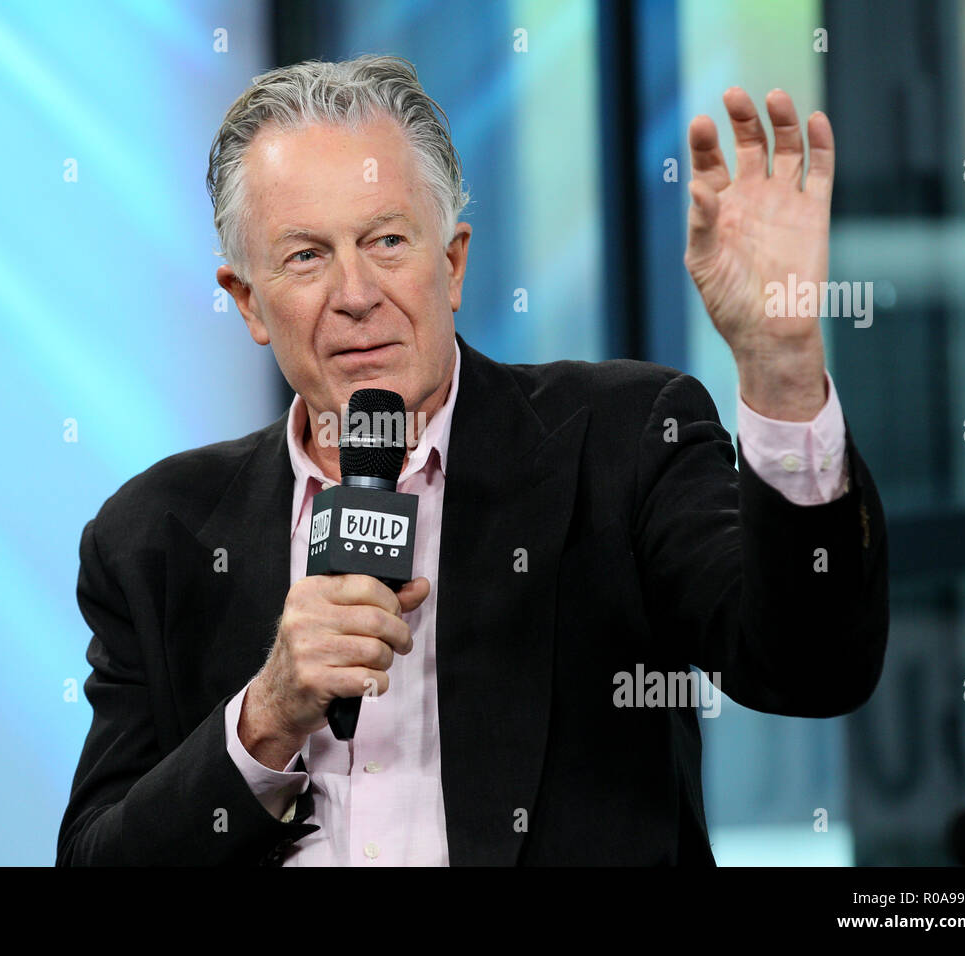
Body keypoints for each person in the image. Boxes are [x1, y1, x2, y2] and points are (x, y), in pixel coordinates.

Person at [56, 55, 887, 866]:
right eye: (306, 255)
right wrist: (265, 715)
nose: (355, 292)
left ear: (451, 262)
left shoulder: (624, 441)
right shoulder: (154, 538)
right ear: (248, 302)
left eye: (387, 240)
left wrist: (781, 366)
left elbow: (810, 668)